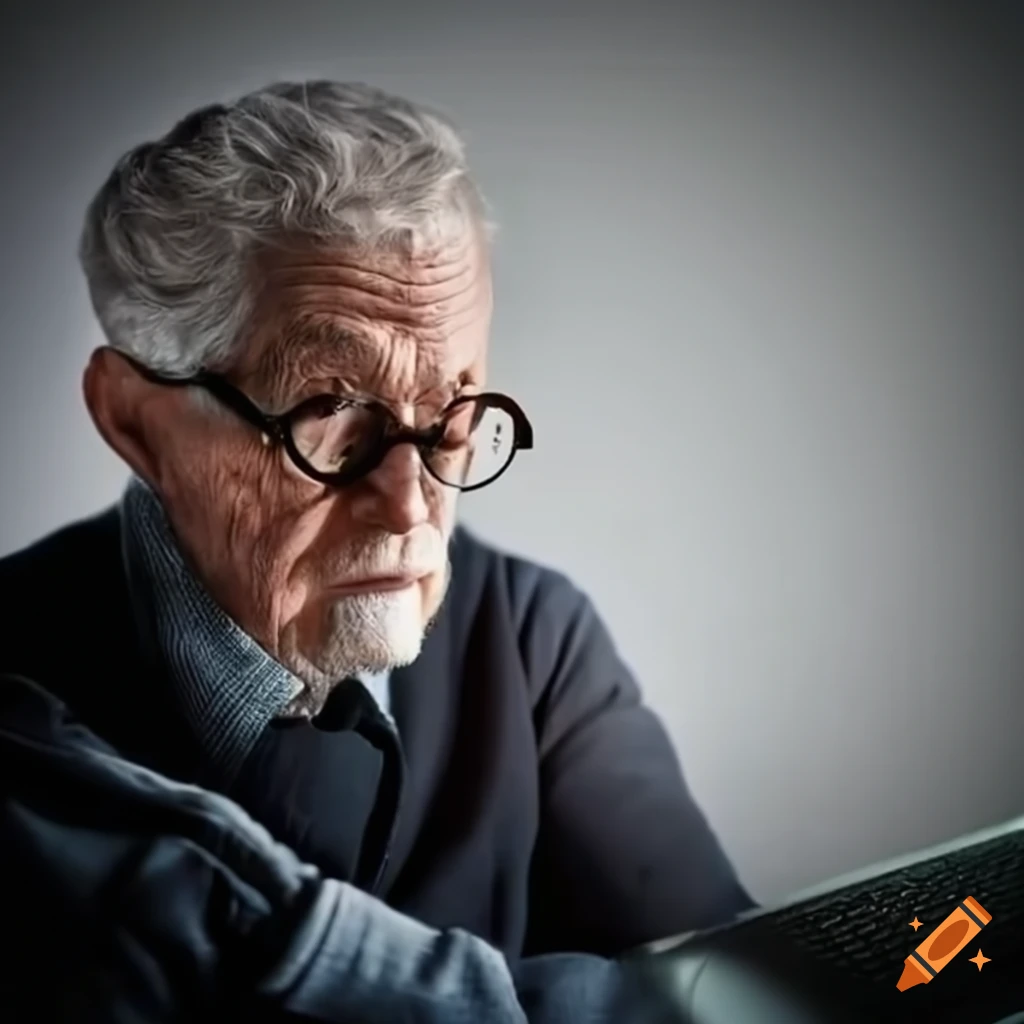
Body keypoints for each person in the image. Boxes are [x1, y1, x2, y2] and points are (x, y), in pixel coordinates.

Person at [0, 80, 753, 1016]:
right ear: (137, 420)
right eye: (332, 416)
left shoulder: (530, 640)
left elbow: (731, 997)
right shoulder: (13, 685)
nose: (408, 507)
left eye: (451, 418)